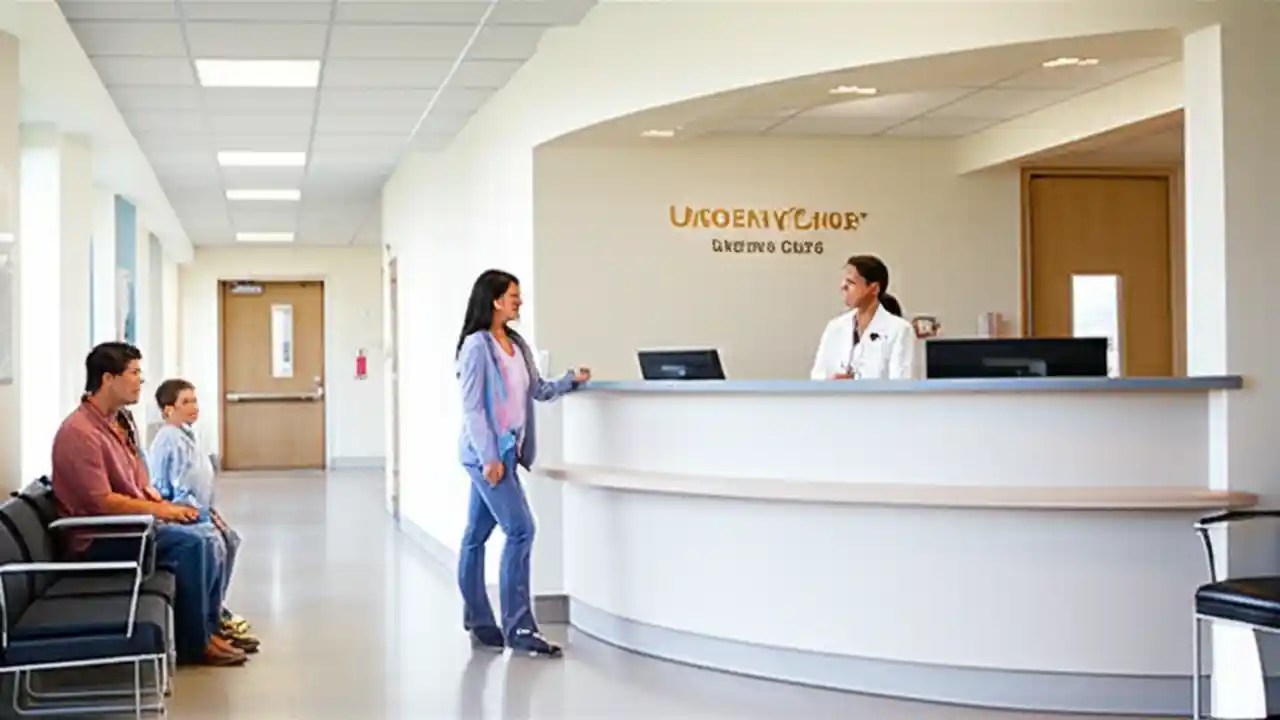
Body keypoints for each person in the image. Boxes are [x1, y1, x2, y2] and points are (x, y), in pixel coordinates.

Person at [50, 342, 247, 666]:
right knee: (197, 543)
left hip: (134, 521)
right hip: (100, 538)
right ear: (108, 378)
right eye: (135, 373)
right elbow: (103, 503)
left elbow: (138, 477)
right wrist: (163, 511)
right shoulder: (80, 433)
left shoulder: (119, 421)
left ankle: (212, 625)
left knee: (214, 527)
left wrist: (165, 503)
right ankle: (195, 642)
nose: (141, 381)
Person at [455, 269, 591, 658]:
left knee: (475, 536)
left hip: (507, 454)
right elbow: (473, 408)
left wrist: (571, 380)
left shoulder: (516, 343)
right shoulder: (476, 346)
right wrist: (489, 458)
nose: (519, 301)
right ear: (496, 300)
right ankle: (519, 628)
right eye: (514, 295)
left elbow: (538, 390)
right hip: (487, 457)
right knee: (521, 530)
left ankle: (480, 623)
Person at [147, 378, 260, 653]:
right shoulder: (168, 439)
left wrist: (209, 512)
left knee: (230, 539)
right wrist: (198, 515)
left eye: (194, 400)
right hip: (177, 511)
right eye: (185, 402)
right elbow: (165, 489)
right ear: (167, 410)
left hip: (197, 509)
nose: (193, 407)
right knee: (213, 542)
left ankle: (215, 613)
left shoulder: (186, 434)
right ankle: (206, 626)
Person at [809, 255, 918, 380]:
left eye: (851, 282)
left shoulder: (900, 330)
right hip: (839, 399)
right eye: (844, 281)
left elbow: (902, 384)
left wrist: (858, 387)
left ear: (874, 288)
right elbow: (817, 378)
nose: (843, 286)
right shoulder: (835, 327)